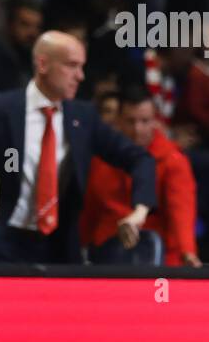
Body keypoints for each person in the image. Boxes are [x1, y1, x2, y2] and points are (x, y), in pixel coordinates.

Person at [0, 31, 155, 263]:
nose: (80, 76)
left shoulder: (83, 118)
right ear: (43, 64)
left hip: (59, 249)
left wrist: (139, 212)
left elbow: (140, 158)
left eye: (82, 66)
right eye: (72, 66)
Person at [81, 87, 198, 266]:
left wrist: (187, 252)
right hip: (104, 256)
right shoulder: (100, 160)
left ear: (155, 121)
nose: (137, 129)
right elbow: (90, 209)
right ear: (118, 120)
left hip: (157, 258)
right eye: (130, 121)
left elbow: (181, 211)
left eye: (145, 121)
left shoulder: (173, 160)